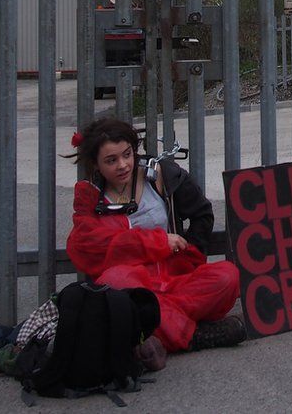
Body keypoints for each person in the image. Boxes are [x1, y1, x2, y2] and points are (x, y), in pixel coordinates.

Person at [65, 118, 245, 352]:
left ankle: (156, 328)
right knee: (116, 285)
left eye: (127, 155)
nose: (122, 165)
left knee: (227, 276)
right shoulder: (90, 197)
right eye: (111, 160)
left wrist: (190, 254)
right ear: (96, 164)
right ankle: (193, 337)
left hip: (172, 278)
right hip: (131, 284)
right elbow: (87, 248)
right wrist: (159, 241)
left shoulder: (161, 175)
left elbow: (202, 213)